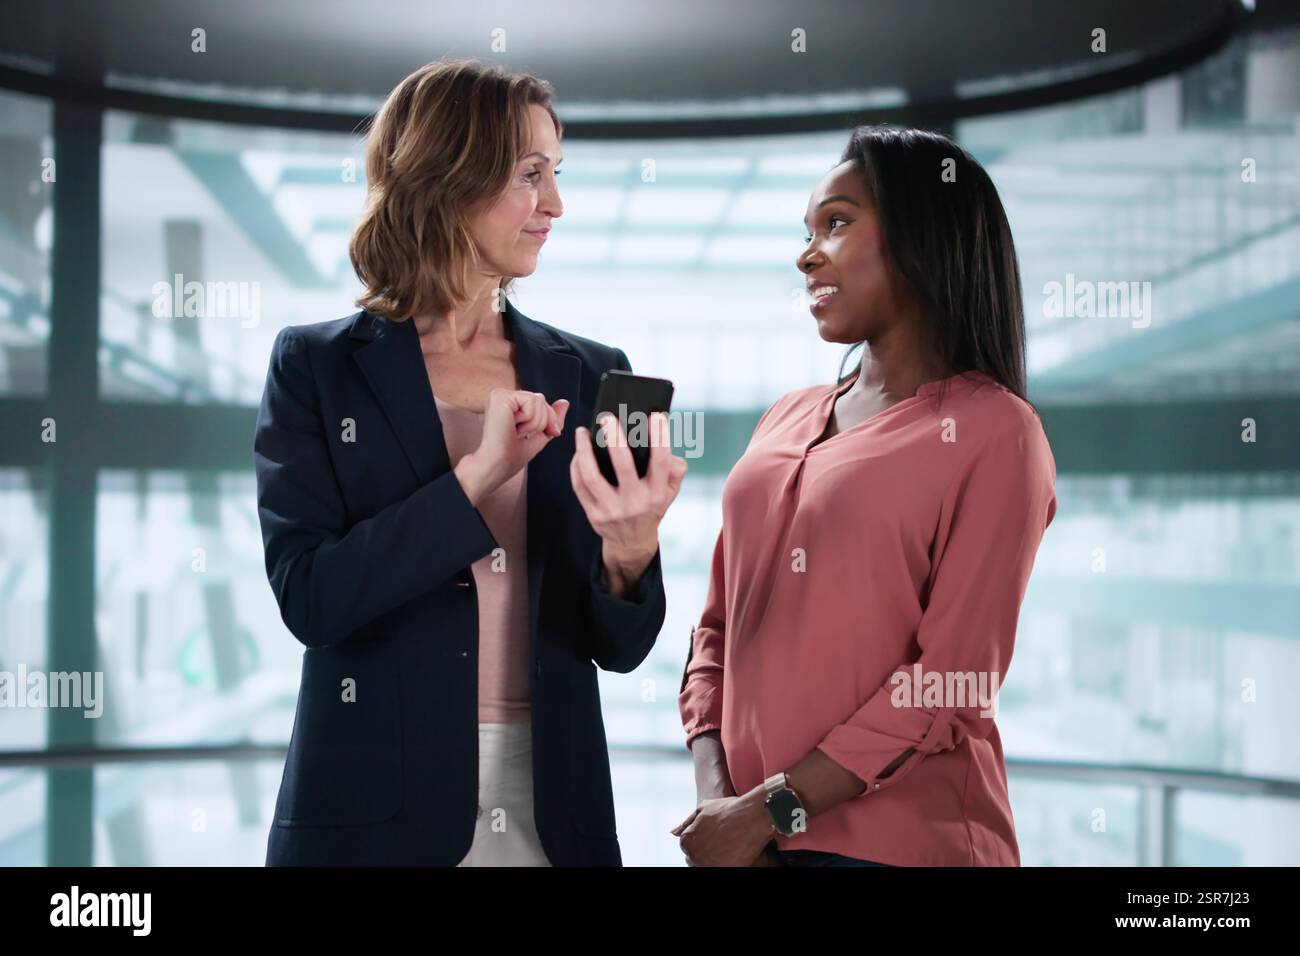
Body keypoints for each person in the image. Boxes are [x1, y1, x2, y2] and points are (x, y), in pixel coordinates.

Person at [255, 57, 686, 866]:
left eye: (556, 174)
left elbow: (620, 649)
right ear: (450, 174)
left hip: (554, 813)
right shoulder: (315, 366)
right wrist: (478, 476)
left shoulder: (591, 373)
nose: (555, 205)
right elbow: (312, 599)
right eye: (531, 174)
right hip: (367, 813)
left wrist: (632, 551)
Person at [674, 126, 1057, 867]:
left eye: (837, 223)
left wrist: (766, 809)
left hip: (904, 849)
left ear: (921, 236)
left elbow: (950, 683)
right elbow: (715, 629)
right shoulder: (786, 413)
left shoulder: (996, 433)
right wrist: (716, 800)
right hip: (746, 845)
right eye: (807, 230)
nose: (807, 253)